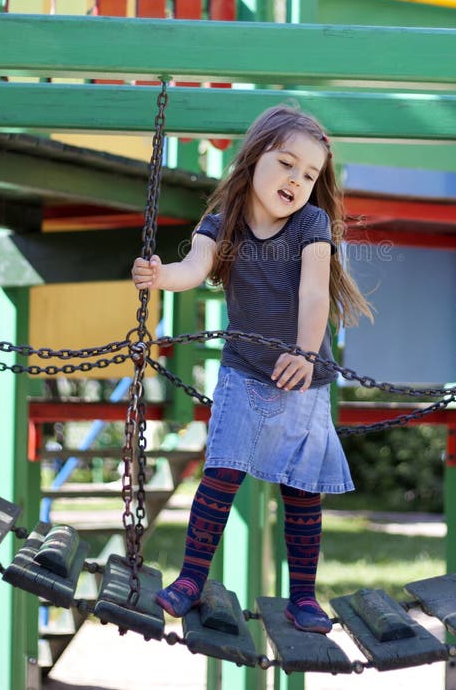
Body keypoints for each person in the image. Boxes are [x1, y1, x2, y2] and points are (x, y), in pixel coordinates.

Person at [131, 104, 372, 634]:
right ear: (256, 156)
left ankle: (303, 597)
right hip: (244, 371)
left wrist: (306, 354)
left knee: (303, 491)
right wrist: (159, 273)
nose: (297, 180)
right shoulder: (221, 225)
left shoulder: (311, 224)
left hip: (302, 377)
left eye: (309, 174)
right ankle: (192, 578)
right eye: (287, 163)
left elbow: (314, 294)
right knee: (221, 474)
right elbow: (194, 268)